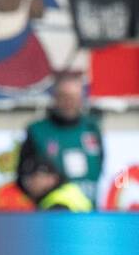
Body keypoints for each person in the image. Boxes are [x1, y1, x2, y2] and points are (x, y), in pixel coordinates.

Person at [15, 72, 104, 207]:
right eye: (65, 97)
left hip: (89, 214)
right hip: (52, 214)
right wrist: (36, 184)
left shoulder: (92, 129)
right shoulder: (37, 131)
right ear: (55, 97)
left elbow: (100, 166)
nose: (69, 102)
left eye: (74, 97)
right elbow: (22, 176)